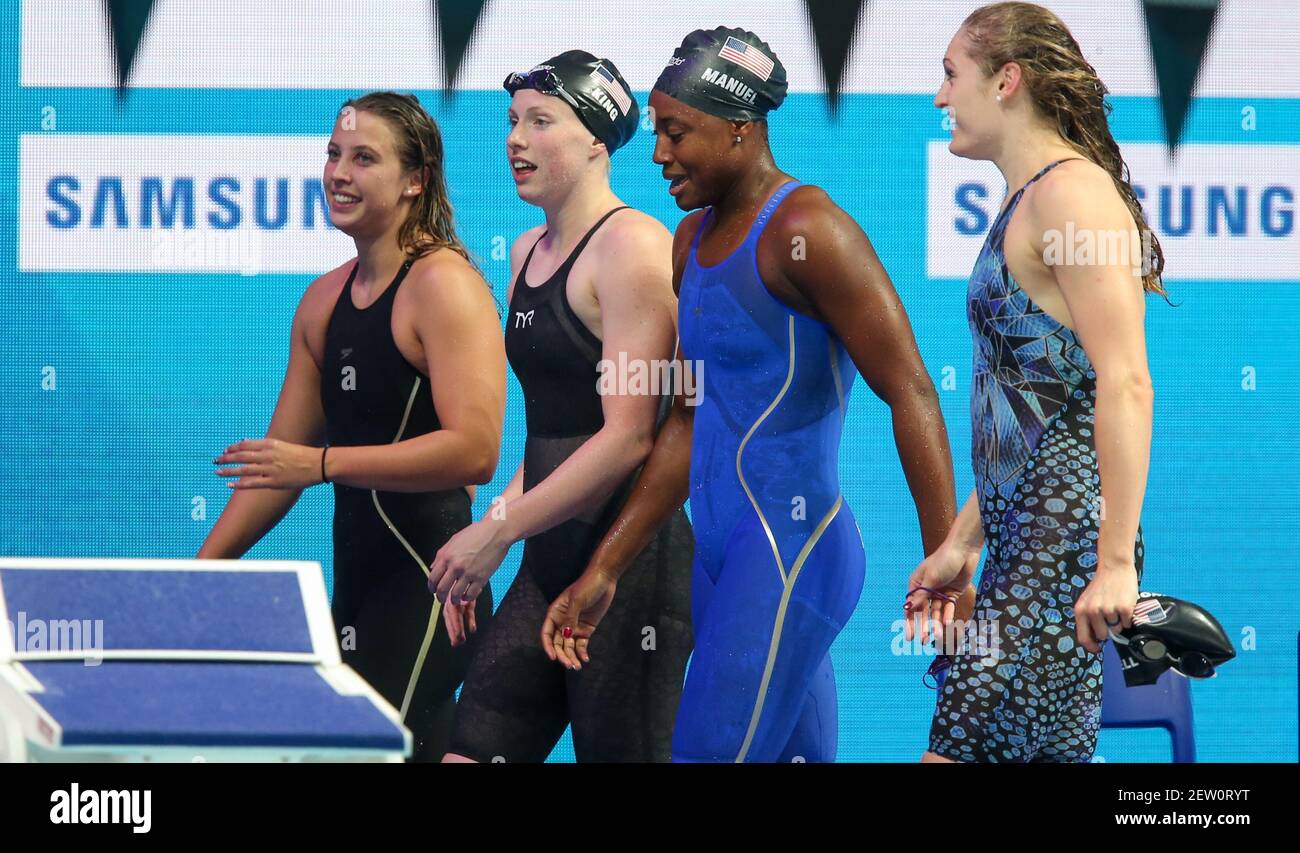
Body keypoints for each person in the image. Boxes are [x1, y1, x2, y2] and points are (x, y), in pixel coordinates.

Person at [544, 28, 958, 763]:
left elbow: (913, 391)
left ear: (739, 130)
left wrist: (947, 560)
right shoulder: (688, 241)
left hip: (793, 550)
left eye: (677, 132)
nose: (659, 152)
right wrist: (606, 564)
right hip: (724, 560)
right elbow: (685, 421)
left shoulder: (809, 230)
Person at [199, 92, 506, 762]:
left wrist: (325, 463)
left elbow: (477, 450)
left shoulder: (443, 285)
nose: (339, 172)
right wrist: (202, 571)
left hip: (433, 590)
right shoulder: (321, 302)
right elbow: (278, 468)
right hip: (358, 596)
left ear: (415, 178)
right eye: (334, 154)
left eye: (364, 158)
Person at [912, 1, 1162, 762]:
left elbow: (1125, 383)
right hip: (1026, 541)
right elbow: (1031, 411)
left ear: (1007, 80)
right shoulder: (1030, 200)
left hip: (1060, 548)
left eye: (952, 75)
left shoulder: (1071, 197)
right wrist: (963, 541)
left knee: (955, 750)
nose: (940, 96)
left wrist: (1114, 562)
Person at [430, 52, 694, 763]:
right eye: (512, 121)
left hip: (629, 566)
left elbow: (628, 438)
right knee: (472, 746)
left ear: (596, 144)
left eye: (541, 121)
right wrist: (496, 531)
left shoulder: (633, 248)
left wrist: (499, 529)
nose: (515, 139)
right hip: (549, 558)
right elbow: (554, 432)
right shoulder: (525, 253)